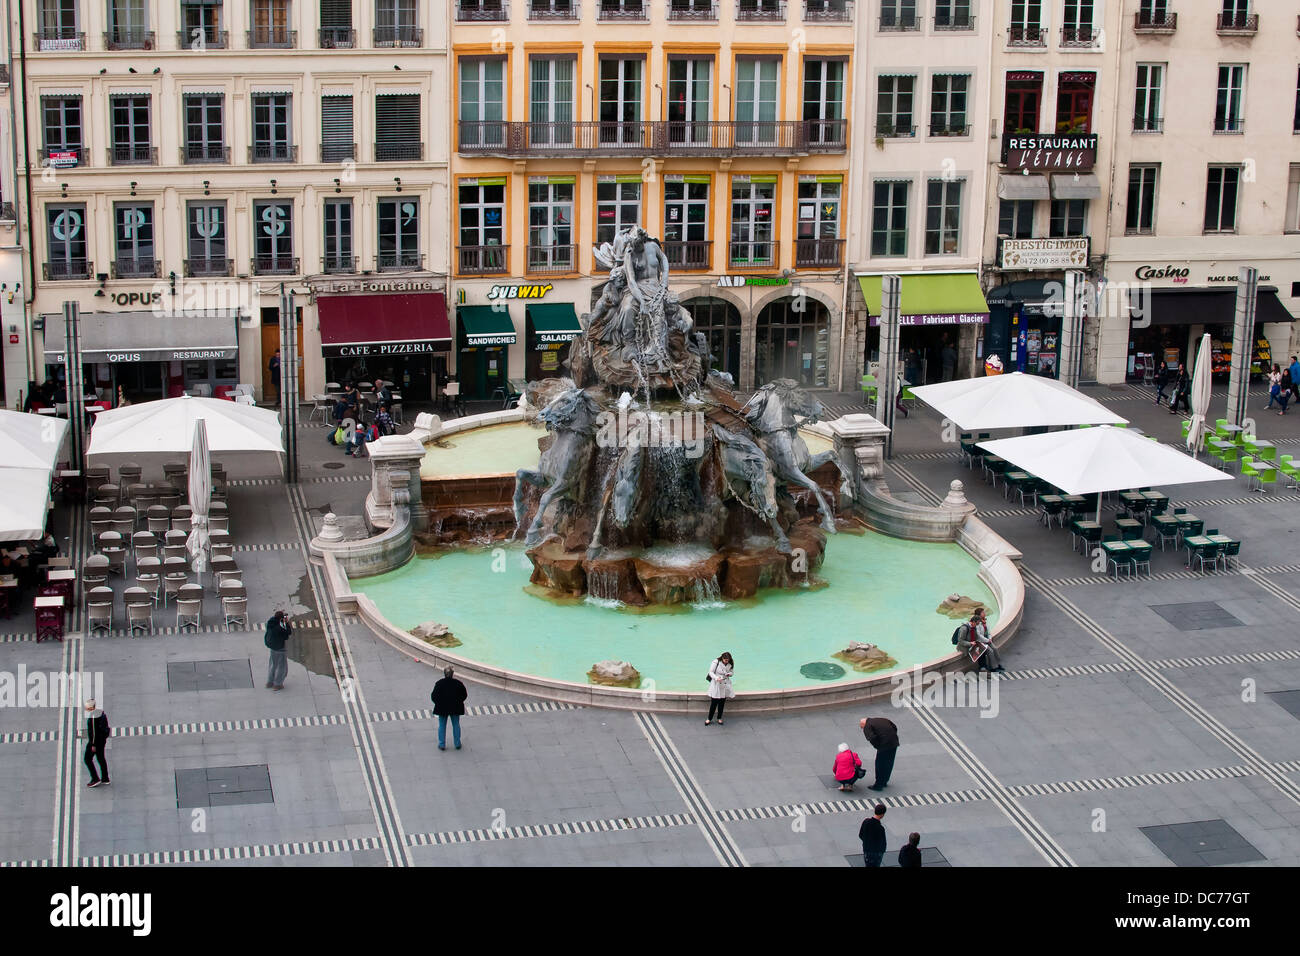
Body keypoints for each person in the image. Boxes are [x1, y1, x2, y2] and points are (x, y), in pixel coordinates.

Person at [431, 666, 468, 751]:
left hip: (442, 708)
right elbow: (464, 695)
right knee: (456, 725)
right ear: (452, 674)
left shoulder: (439, 684)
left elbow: (434, 696)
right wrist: (458, 702)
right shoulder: (458, 683)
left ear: (444, 674)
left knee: (442, 725)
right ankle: (457, 743)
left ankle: (442, 744)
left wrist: (439, 703)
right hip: (455, 708)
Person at [859, 715, 899, 790]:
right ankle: (885, 781)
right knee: (889, 763)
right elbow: (894, 727)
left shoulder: (867, 726)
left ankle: (878, 785)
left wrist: (878, 746)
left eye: (862, 727)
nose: (862, 729)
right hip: (894, 742)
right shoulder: (881, 719)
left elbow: (871, 738)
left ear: (863, 724)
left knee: (880, 764)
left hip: (884, 745)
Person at [965, 607, 1004, 673]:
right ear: (979, 615)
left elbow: (988, 632)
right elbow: (978, 636)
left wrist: (989, 638)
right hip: (981, 642)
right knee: (990, 651)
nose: (984, 613)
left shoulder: (984, 621)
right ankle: (993, 668)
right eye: (983, 612)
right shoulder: (977, 623)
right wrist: (987, 640)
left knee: (995, 648)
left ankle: (998, 664)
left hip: (987, 640)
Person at [84, 699, 111, 788]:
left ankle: (95, 778)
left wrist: (93, 744)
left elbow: (94, 732)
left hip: (95, 742)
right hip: (102, 740)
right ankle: (105, 778)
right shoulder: (101, 713)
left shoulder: (93, 717)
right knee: (101, 758)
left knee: (87, 759)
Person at [264, 610, 293, 690]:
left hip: (272, 647)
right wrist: (286, 623)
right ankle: (278, 684)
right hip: (280, 648)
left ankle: (270, 682)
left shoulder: (271, 622)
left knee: (273, 664)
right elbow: (288, 633)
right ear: (281, 618)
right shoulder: (280, 627)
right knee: (281, 666)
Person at [705, 652, 735, 726]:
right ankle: (709, 718)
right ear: (722, 658)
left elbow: (732, 671)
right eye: (725, 660)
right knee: (714, 703)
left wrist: (729, 674)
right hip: (716, 683)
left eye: (727, 660)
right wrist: (716, 678)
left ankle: (719, 718)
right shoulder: (716, 662)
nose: (726, 661)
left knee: (722, 702)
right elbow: (711, 672)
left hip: (725, 684)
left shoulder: (730, 663)